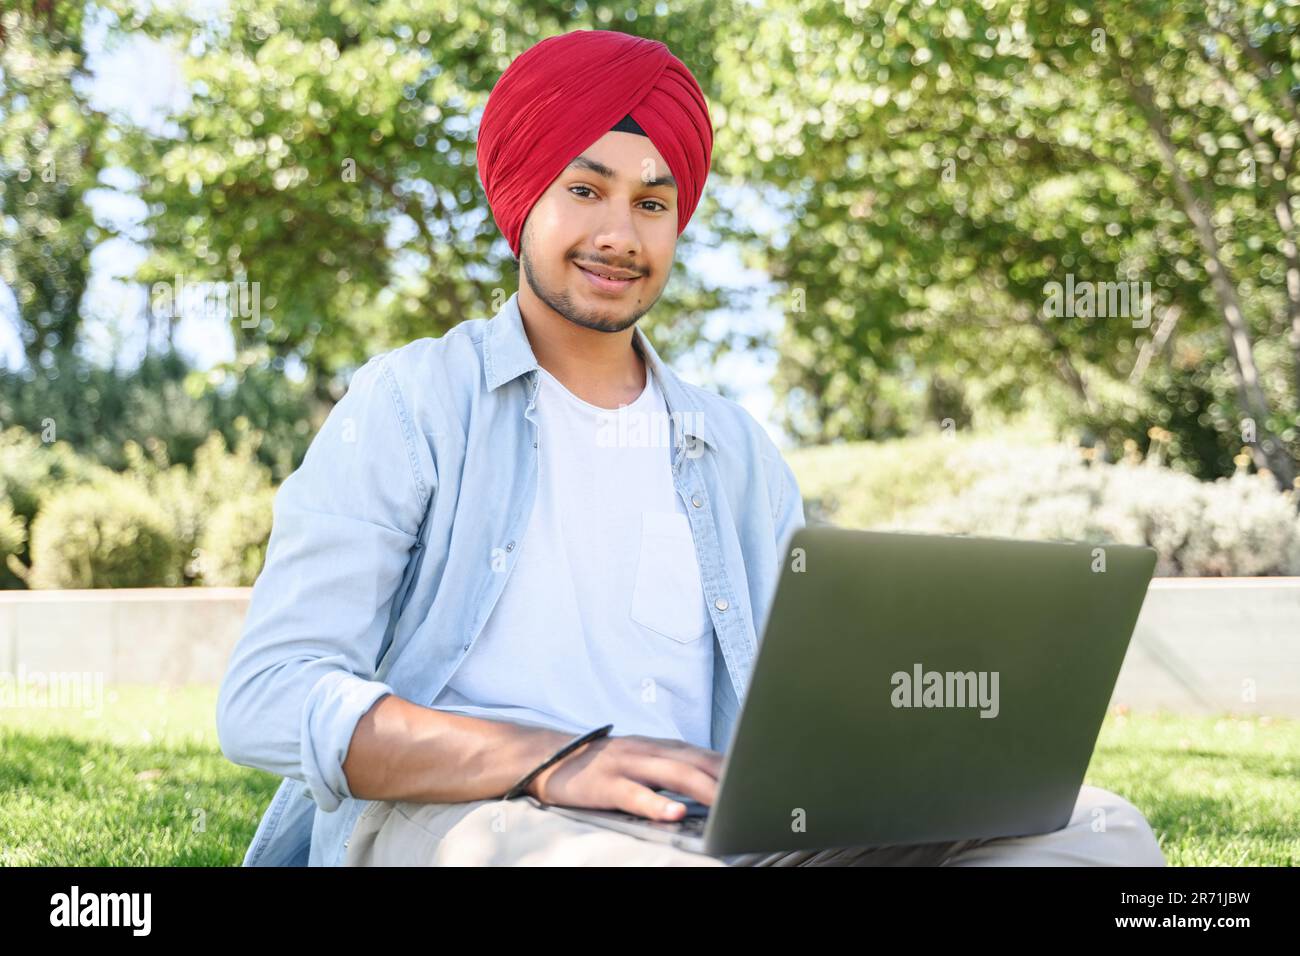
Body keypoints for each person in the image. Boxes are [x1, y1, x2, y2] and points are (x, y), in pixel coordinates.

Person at [217, 28, 1166, 867]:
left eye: (652, 203)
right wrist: (559, 761)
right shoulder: (414, 402)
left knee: (1101, 834)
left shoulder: (735, 449)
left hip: (707, 819)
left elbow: (808, 696)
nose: (617, 234)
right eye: (585, 189)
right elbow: (267, 695)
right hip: (475, 814)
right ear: (524, 200)